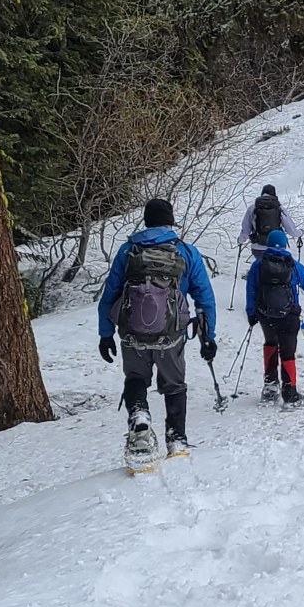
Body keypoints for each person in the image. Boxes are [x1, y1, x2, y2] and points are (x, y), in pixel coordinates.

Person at [97, 198, 217, 466]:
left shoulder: (128, 251)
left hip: (132, 333)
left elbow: (110, 294)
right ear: (170, 221)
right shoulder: (185, 251)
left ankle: (139, 420)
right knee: (174, 385)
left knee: (136, 377)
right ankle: (176, 439)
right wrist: (208, 335)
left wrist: (105, 333)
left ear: (146, 220)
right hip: (171, 333)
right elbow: (204, 296)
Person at [245, 229, 304, 409]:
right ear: (285, 244)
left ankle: (270, 388)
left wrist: (251, 313)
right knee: (288, 352)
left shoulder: (258, 265)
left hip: (266, 315)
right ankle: (290, 393)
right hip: (289, 315)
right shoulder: (293, 265)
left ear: (268, 244)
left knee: (270, 344)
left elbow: (251, 291)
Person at [238, 184, 301, 250]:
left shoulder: (252, 208)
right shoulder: (279, 208)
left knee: (260, 260)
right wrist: (299, 233)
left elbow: (245, 231)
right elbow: (291, 230)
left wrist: (240, 241)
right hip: (276, 247)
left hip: (258, 247)